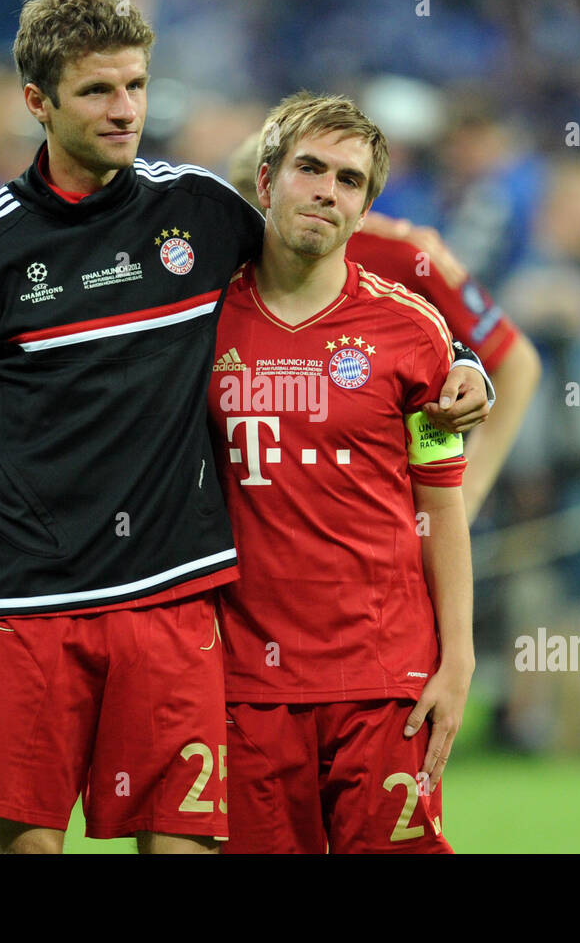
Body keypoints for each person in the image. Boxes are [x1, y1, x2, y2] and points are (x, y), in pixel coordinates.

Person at [0, 0, 491, 855]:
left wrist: (462, 359)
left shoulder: (198, 214)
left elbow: (323, 255)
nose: (124, 109)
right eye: (99, 89)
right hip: (28, 605)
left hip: (173, 603)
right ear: (38, 102)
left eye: (136, 85)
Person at [209, 92, 472, 852]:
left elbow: (443, 508)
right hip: (245, 685)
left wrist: (458, 660)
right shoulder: (201, 323)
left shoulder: (415, 333)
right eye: (310, 168)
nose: (327, 190)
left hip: (385, 679)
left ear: (364, 210)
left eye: (350, 180)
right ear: (265, 182)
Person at [227, 133, 540, 521]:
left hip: (393, 525)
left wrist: (465, 499)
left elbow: (516, 365)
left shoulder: (405, 254)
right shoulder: (225, 258)